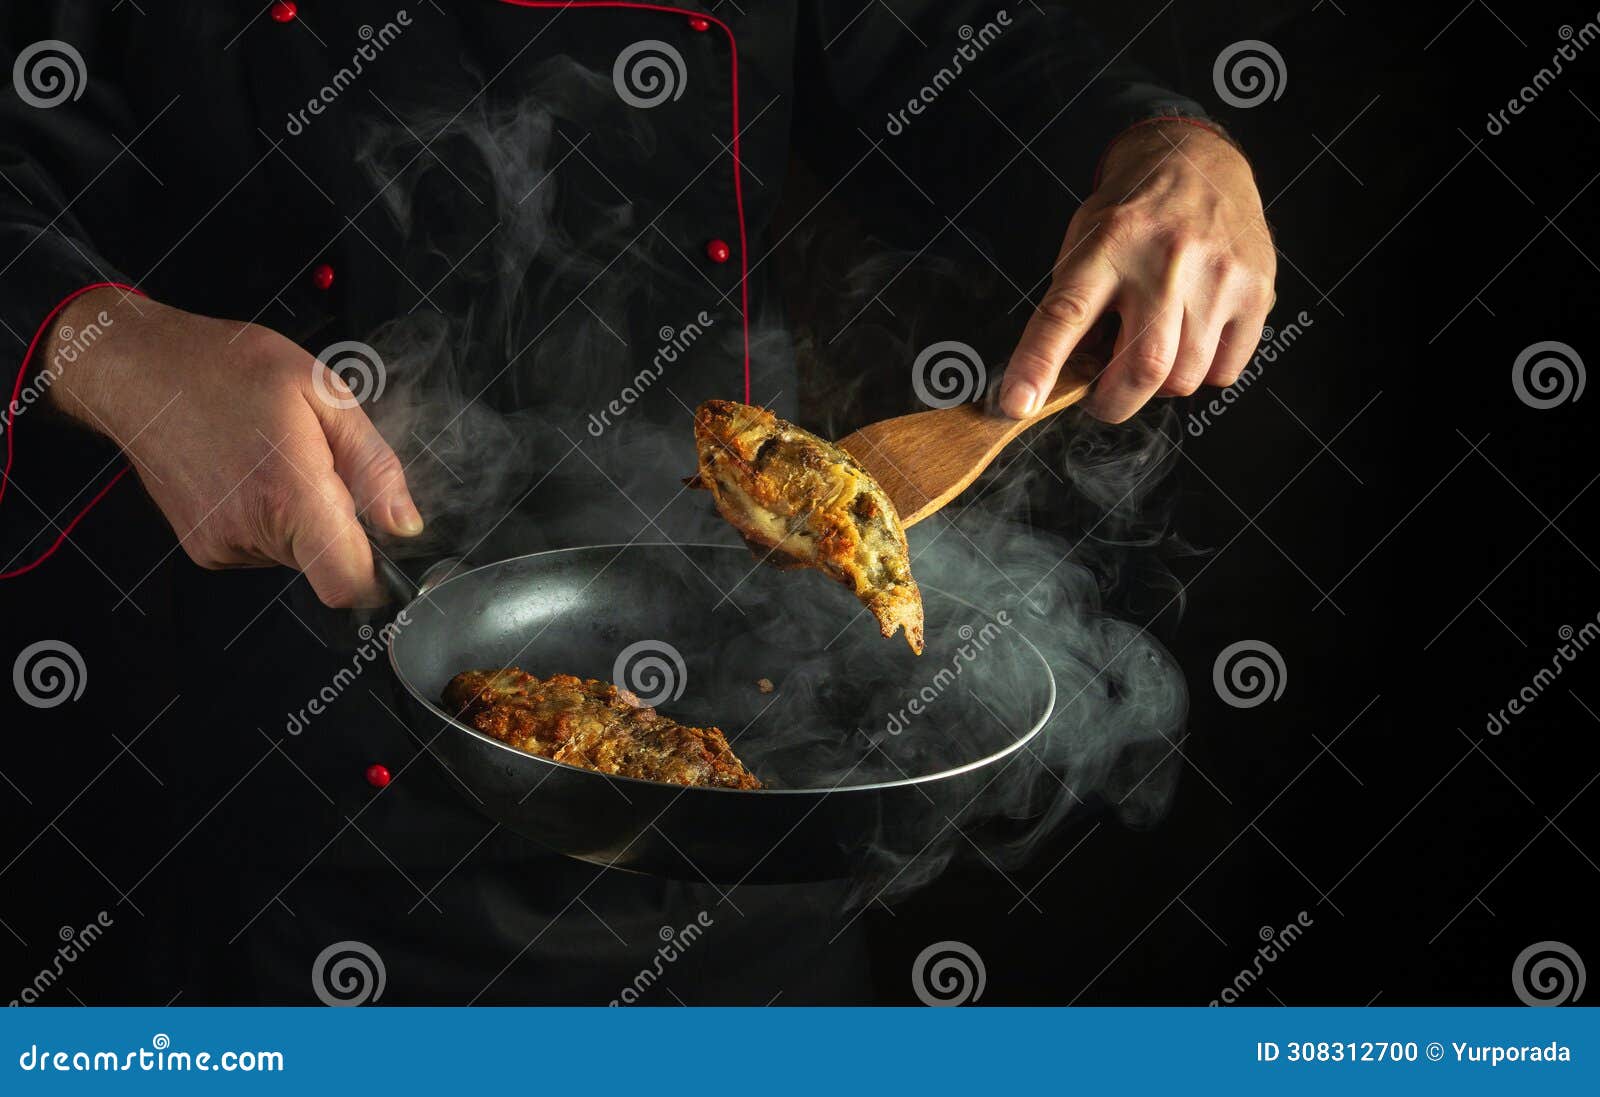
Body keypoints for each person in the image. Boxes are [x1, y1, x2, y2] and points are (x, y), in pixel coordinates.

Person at [1, 1, 1274, 1004]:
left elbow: (960, 55)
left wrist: (1166, 142)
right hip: (292, 813)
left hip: (737, 809)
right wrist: (109, 350)